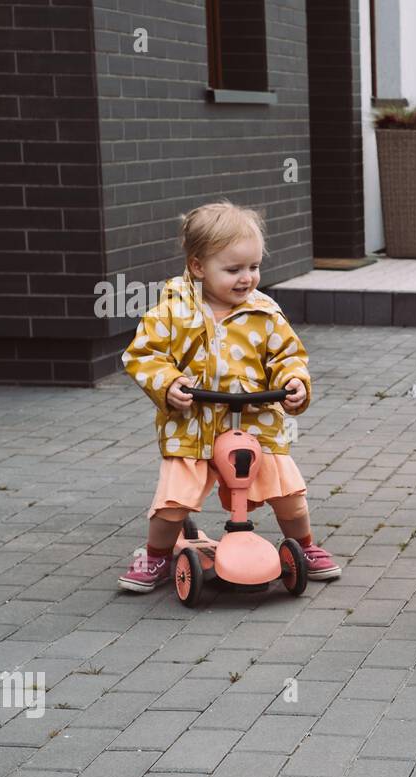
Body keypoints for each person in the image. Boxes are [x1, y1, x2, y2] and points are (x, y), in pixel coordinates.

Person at [117, 201, 341, 592]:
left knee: (288, 491)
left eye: (253, 267)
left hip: (256, 425)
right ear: (198, 267)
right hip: (192, 428)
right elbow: (143, 355)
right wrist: (168, 383)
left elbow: (288, 355)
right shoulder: (173, 311)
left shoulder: (265, 312)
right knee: (173, 502)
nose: (247, 278)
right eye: (234, 269)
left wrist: (294, 383)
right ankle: (155, 557)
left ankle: (305, 546)